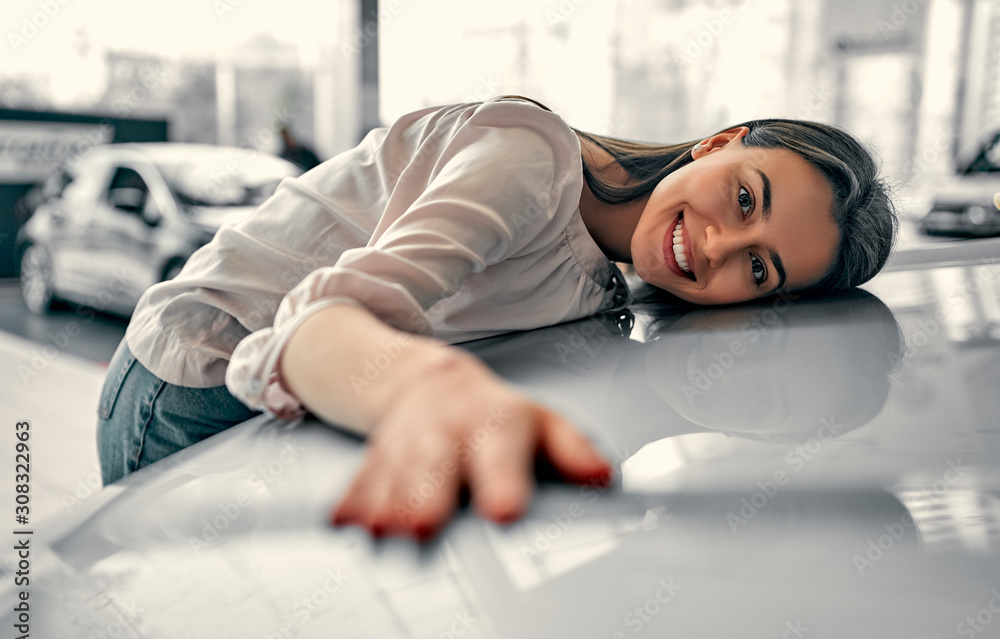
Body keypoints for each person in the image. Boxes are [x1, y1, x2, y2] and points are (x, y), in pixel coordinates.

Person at [96, 96, 897, 541]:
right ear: (718, 143)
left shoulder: (617, 283)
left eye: (759, 269)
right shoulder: (528, 160)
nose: (717, 245)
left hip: (283, 415)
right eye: (746, 197)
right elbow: (314, 326)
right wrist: (428, 389)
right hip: (186, 380)